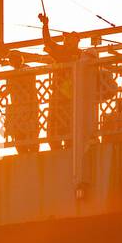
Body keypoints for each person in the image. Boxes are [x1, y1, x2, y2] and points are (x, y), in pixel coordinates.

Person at [41, 14, 82, 149]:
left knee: (66, 126)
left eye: (70, 39)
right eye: (67, 39)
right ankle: (59, 144)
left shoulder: (77, 54)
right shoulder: (66, 51)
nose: (67, 41)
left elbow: (49, 44)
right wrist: (45, 25)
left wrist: (45, 25)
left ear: (76, 41)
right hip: (62, 94)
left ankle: (66, 144)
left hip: (68, 95)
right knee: (57, 128)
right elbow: (48, 42)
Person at [1, 51, 40, 154]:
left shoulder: (27, 69)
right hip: (17, 109)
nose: (11, 61)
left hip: (29, 107)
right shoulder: (12, 74)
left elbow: (26, 82)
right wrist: (0, 95)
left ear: (19, 59)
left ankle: (32, 152)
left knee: (31, 133)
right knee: (18, 135)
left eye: (12, 58)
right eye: (10, 59)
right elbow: (9, 89)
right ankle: (22, 152)